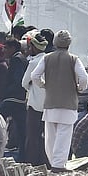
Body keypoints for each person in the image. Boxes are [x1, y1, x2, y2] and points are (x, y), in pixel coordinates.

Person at [32, 30, 88, 172]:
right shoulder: (74, 59)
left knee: (50, 136)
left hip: (50, 102)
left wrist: (44, 85)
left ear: (55, 43)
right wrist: (79, 88)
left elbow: (35, 76)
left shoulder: (46, 58)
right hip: (68, 104)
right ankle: (59, 164)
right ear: (69, 44)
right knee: (64, 135)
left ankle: (53, 162)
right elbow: (84, 78)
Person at [21, 31, 49, 166]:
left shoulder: (33, 63)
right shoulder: (49, 60)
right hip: (48, 105)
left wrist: (32, 88)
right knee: (46, 136)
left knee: (32, 137)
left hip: (34, 105)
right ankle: (45, 162)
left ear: (34, 47)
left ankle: (32, 163)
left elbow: (24, 83)